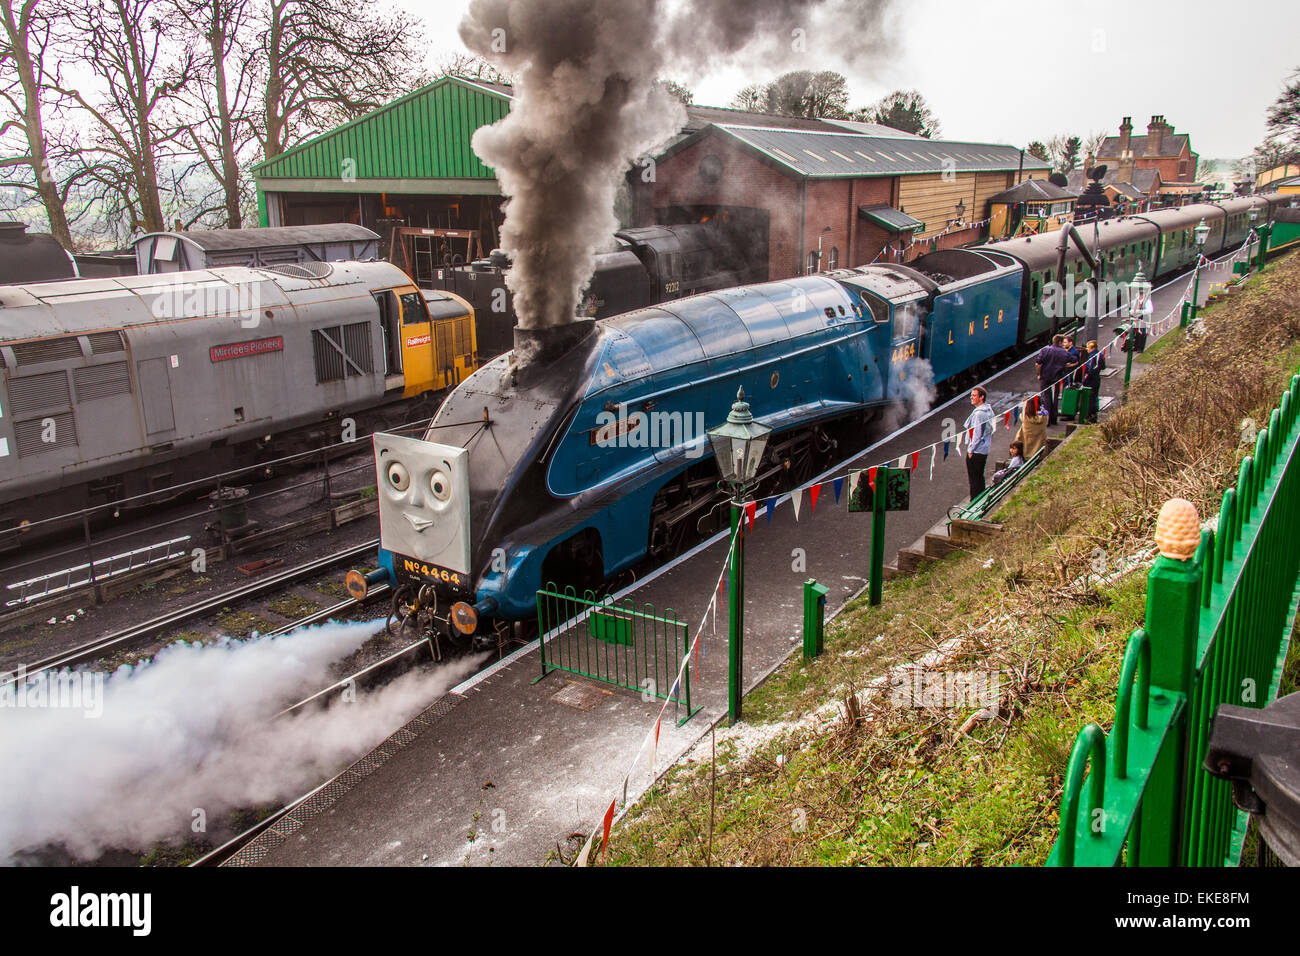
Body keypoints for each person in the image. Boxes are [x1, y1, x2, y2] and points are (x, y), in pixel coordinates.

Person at [964, 386, 995, 500]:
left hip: (977, 450)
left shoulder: (978, 414)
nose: (971, 397)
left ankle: (974, 501)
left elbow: (976, 434)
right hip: (984, 448)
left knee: (974, 480)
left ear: (981, 397)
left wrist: (970, 450)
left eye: (974, 395)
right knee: (979, 478)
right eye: (971, 395)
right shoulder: (988, 410)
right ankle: (981, 500)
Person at [1035, 334, 1071, 427]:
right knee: (1055, 397)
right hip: (1057, 377)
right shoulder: (1064, 352)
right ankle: (1053, 419)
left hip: (1045, 377)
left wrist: (1039, 374)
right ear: (1059, 342)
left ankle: (1046, 420)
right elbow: (1074, 361)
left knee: (1045, 397)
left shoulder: (1045, 350)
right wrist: (1065, 366)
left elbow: (1038, 364)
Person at [1082, 339, 1105, 423]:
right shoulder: (1100, 354)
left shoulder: (1092, 356)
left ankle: (1090, 417)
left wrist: (1086, 376)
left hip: (1091, 380)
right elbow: (1103, 367)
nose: (1087, 349)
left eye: (1088, 347)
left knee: (1091, 399)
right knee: (1094, 398)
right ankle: (1093, 416)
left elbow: (1091, 369)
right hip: (1096, 379)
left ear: (1092, 347)